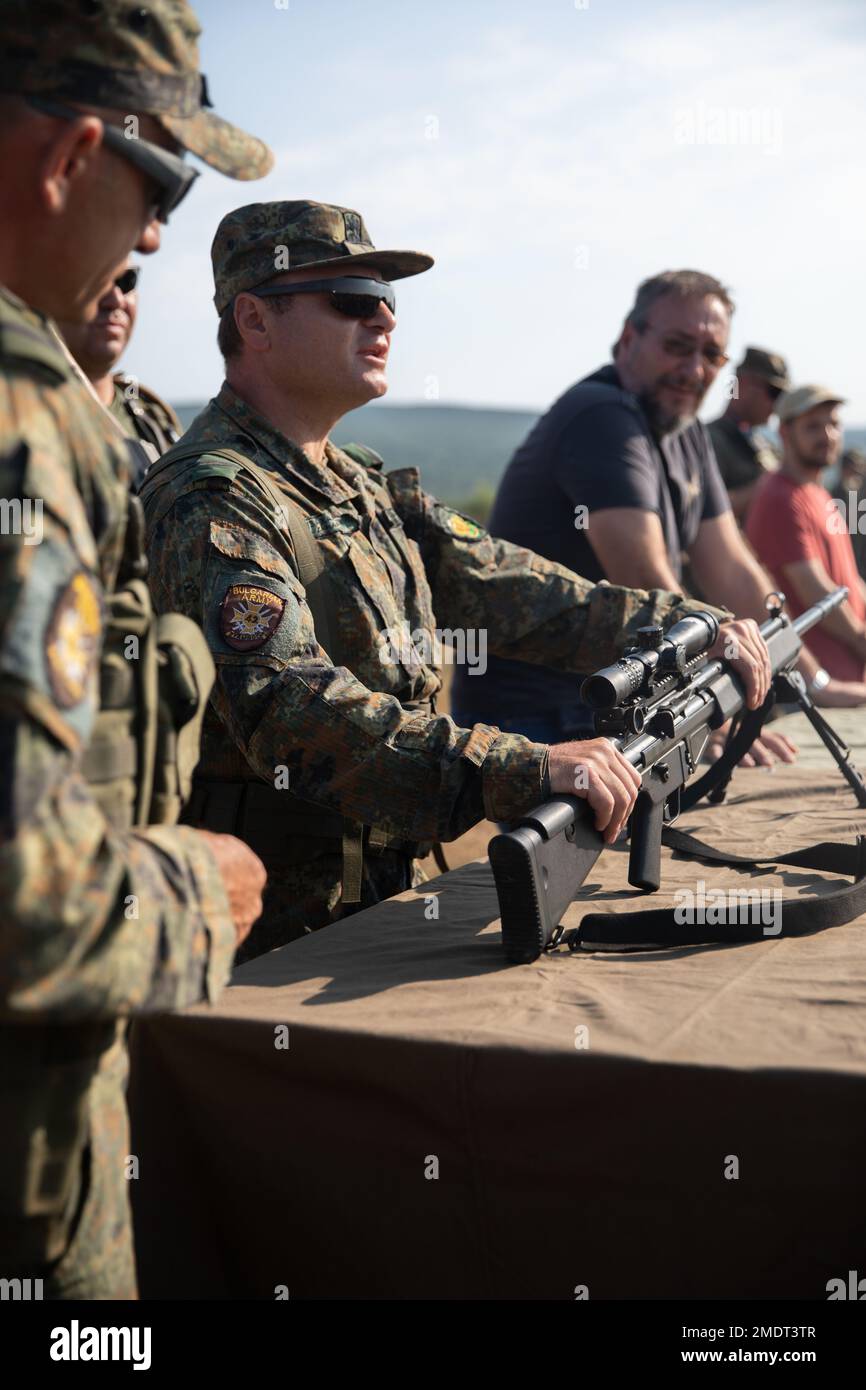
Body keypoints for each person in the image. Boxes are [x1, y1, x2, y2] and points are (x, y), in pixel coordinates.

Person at [141, 207, 776, 963]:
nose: (382, 317)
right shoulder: (213, 498)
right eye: (349, 296)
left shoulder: (360, 485)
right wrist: (526, 767)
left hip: (377, 899)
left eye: (389, 299)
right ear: (254, 320)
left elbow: (528, 596)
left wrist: (696, 623)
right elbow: (292, 712)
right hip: (271, 935)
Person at [0, 0, 271, 1300]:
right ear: (67, 158)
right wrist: (191, 889)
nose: (156, 231)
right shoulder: (21, 416)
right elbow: (21, 901)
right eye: (159, 176)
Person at [452, 269, 866, 742]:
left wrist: (812, 682)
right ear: (630, 338)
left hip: (617, 703)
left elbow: (732, 568)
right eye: (676, 346)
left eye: (712, 355)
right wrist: (704, 717)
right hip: (541, 718)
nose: (694, 370)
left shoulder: (685, 428)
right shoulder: (602, 415)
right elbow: (645, 580)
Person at [746, 387, 866, 682]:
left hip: (846, 677)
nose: (827, 435)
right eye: (813, 426)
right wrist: (861, 640)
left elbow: (848, 580)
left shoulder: (817, 492)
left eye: (833, 424)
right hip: (817, 685)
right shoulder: (780, 496)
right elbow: (815, 591)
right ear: (785, 432)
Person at [58, 261, 181, 482]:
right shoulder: (19, 417)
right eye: (97, 281)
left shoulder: (151, 419)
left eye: (126, 281)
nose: (115, 299)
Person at [706, 346, 789, 524]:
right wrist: (769, 485)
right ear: (743, 384)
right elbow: (702, 511)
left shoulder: (764, 443)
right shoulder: (708, 440)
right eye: (774, 393)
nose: (778, 404)